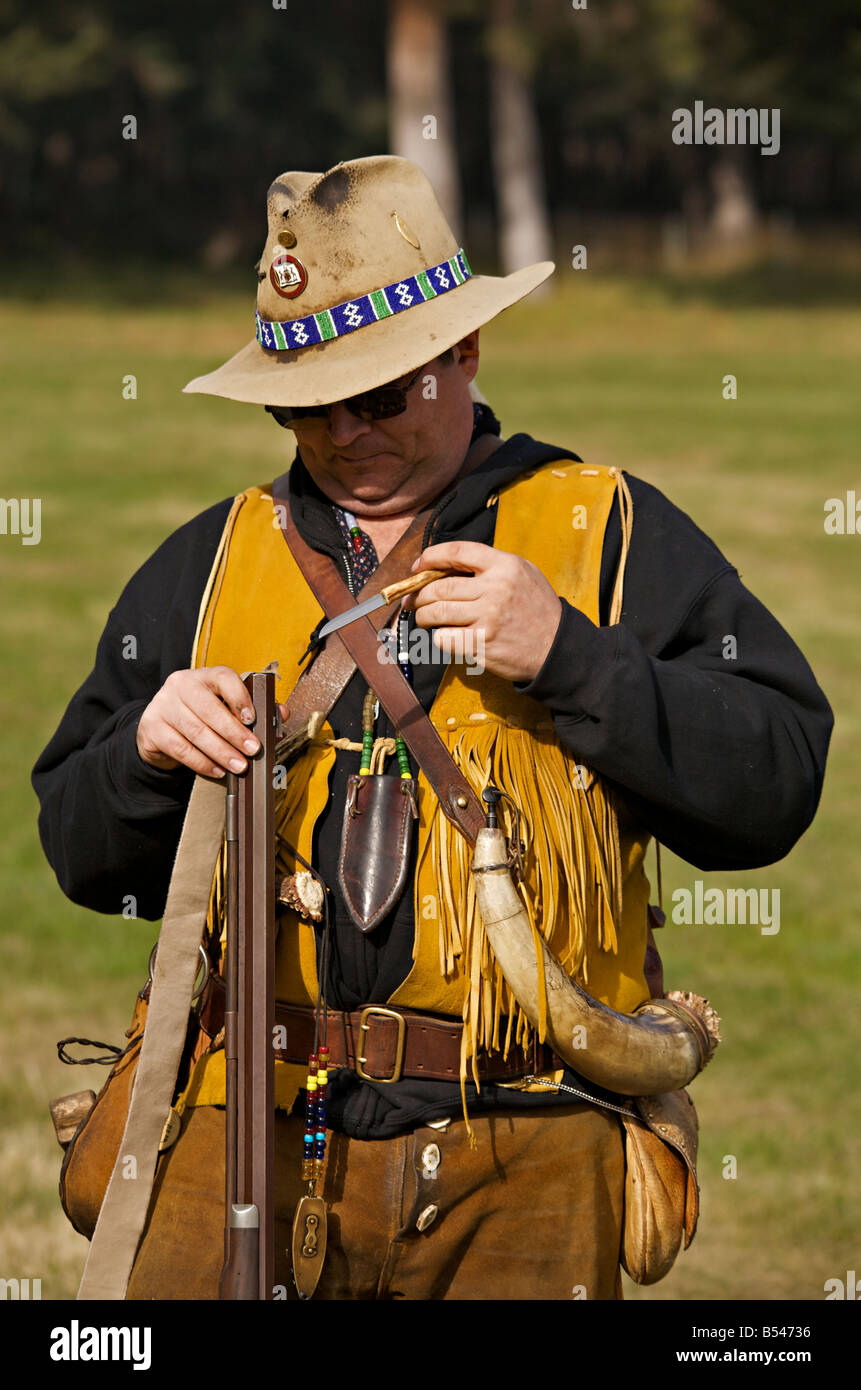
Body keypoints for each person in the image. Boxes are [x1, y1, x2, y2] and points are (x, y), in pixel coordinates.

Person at [33, 155, 832, 1301]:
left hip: (526, 1143)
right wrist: (146, 752)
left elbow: (777, 781)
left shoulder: (607, 529)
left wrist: (570, 654)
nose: (341, 433)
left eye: (376, 395)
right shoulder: (208, 563)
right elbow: (76, 846)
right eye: (305, 404)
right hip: (239, 1117)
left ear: (461, 353)